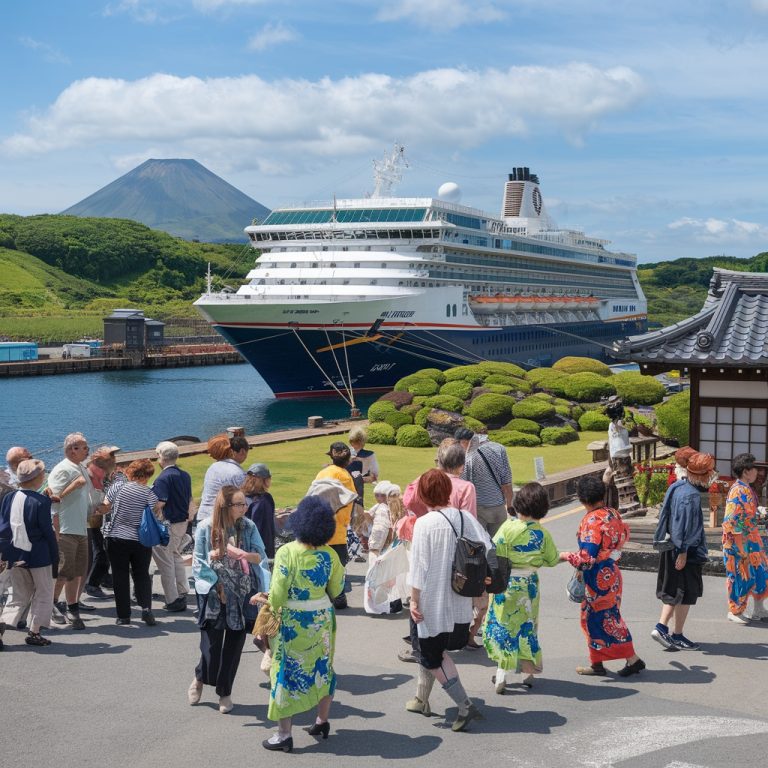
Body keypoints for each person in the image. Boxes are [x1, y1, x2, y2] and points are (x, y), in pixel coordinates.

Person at [406, 468, 489, 732]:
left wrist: (414, 601)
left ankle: (464, 705)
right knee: (437, 653)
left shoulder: (425, 524)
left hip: (432, 603)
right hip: (459, 603)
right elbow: (486, 547)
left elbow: (419, 568)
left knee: (431, 656)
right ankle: (433, 700)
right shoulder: (465, 518)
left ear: (423, 494)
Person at [261, 495, 345, 752]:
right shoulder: (330, 555)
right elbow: (337, 588)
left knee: (285, 672)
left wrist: (266, 607)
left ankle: (284, 734)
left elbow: (277, 594)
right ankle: (322, 720)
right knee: (323, 668)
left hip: (293, 621)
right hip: (321, 618)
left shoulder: (287, 552)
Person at [190, 485, 267, 714]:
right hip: (214, 592)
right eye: (240, 504)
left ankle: (225, 692)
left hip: (241, 592)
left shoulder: (248, 527)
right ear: (226, 506)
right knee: (211, 647)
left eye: (245, 504)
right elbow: (198, 563)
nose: (245, 508)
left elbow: (259, 555)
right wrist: (215, 577)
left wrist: (243, 554)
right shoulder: (206, 527)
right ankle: (201, 677)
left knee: (234, 646)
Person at [560, 475, 645, 677]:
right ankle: (597, 663)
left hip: (597, 577)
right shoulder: (612, 514)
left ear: (582, 499)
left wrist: (565, 556)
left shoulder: (591, 520)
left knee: (605, 618)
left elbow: (586, 557)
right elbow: (623, 535)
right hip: (611, 573)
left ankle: (632, 659)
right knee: (594, 618)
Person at [483, 482, 560, 693]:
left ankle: (501, 674)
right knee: (527, 626)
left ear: (518, 505)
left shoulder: (507, 528)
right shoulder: (542, 534)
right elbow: (552, 560)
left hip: (506, 584)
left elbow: (494, 551)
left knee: (503, 625)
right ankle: (528, 671)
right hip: (529, 586)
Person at [651, 450, 711, 650]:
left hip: (670, 545)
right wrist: (684, 551)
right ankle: (669, 630)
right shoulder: (691, 496)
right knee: (683, 592)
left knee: (676, 590)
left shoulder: (677, 486)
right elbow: (685, 527)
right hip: (684, 549)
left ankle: (668, 630)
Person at [0, 459, 58, 647]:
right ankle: (35, 632)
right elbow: (47, 532)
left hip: (14, 553)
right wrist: (55, 554)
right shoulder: (41, 501)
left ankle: (3, 625)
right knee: (44, 592)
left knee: (18, 594)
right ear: (39, 477)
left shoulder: (9, 497)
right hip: (38, 554)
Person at [101, 459, 161, 626]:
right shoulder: (149, 493)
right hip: (141, 539)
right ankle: (146, 609)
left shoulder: (118, 487)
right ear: (147, 475)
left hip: (117, 536)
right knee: (141, 574)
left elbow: (105, 506)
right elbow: (156, 513)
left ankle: (124, 615)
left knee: (120, 575)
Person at [48, 432, 94, 630]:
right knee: (63, 572)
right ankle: (51, 603)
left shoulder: (79, 467)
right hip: (66, 529)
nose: (87, 450)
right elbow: (53, 499)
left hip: (80, 527)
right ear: (72, 450)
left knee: (77, 572)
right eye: (84, 447)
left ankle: (72, 605)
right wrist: (56, 530)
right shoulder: (62, 470)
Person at [722, 452, 768, 624]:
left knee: (760, 572)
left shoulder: (746, 488)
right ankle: (735, 610)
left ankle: (758, 607)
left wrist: (759, 512)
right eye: (754, 468)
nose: (757, 471)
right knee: (741, 576)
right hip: (739, 542)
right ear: (746, 471)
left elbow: (747, 513)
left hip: (752, 540)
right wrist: (741, 548)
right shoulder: (737, 491)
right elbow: (732, 522)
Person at [313, 442, 356, 609]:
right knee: (338, 568)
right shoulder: (345, 477)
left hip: (318, 527)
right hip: (337, 529)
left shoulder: (322, 473)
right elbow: (349, 502)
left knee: (319, 566)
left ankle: (320, 598)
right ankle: (338, 598)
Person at [152, 441, 193, 612]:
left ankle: (172, 598)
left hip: (168, 524)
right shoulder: (184, 475)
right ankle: (182, 590)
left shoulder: (163, 478)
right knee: (175, 556)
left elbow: (159, 502)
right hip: (181, 522)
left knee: (165, 561)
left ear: (161, 457)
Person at [455, 428, 512, 537]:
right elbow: (507, 482)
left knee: (479, 546)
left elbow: (462, 485)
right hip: (498, 506)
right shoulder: (499, 449)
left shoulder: (467, 458)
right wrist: (509, 505)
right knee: (499, 545)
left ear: (464, 442)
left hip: (477, 509)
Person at [83, 445, 120, 600]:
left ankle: (103, 577)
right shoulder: (91, 474)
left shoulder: (102, 473)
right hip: (91, 519)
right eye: (111, 457)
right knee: (100, 552)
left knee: (104, 550)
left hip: (99, 517)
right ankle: (92, 583)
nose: (114, 460)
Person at [364, 483, 406, 615]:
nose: (377, 498)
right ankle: (395, 603)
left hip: (382, 548)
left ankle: (385, 605)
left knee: (380, 579)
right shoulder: (399, 506)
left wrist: (374, 547)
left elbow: (379, 531)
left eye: (379, 495)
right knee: (392, 577)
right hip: (396, 546)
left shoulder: (382, 509)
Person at [196, 434, 247, 522]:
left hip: (203, 516)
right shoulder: (237, 472)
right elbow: (242, 499)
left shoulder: (212, 467)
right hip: (221, 519)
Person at [243, 463, 276, 560]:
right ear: (264, 480)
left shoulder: (240, 497)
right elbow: (266, 530)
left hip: (243, 548)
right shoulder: (264, 500)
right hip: (260, 551)